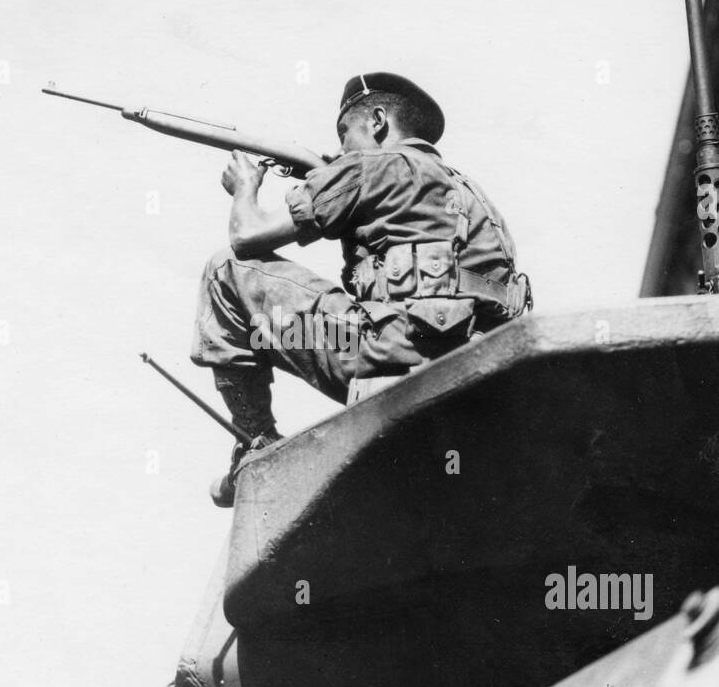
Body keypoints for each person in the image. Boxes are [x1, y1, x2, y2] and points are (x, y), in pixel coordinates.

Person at [192, 72, 531, 506]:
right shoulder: (471, 194)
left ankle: (255, 441)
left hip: (391, 351)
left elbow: (248, 235)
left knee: (226, 268)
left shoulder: (373, 166)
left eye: (345, 133)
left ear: (376, 120)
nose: (343, 149)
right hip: (476, 368)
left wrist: (245, 188)